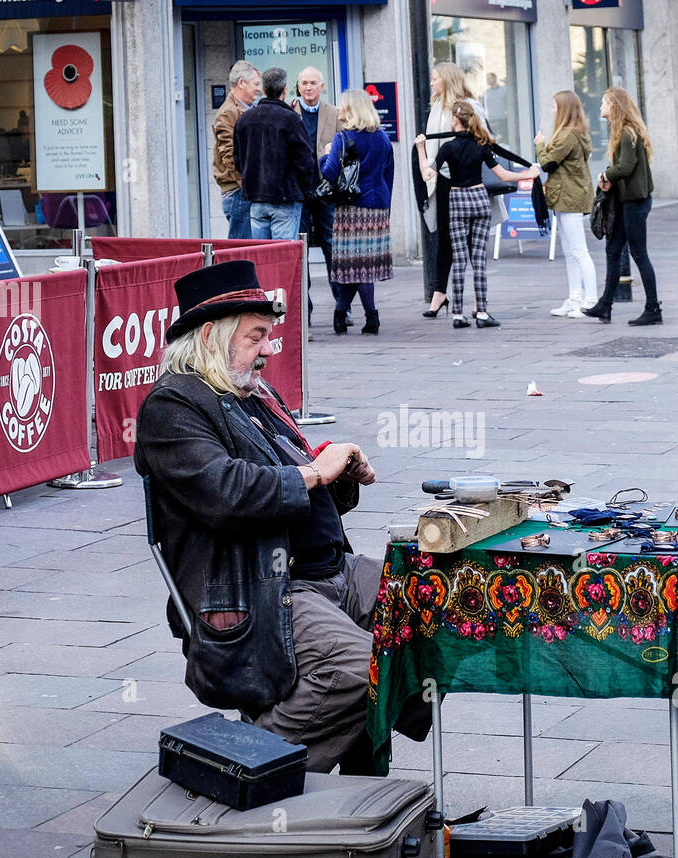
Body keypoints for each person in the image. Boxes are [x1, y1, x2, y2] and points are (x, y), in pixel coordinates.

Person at [134, 259, 429, 773]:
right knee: (362, 669)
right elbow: (226, 492)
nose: (270, 349)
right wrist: (315, 473)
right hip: (258, 587)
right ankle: (247, 771)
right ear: (209, 337)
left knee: (433, 612)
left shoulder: (253, 395)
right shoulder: (172, 407)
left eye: (270, 336)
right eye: (256, 337)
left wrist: (337, 473)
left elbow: (301, 487)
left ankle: (359, 781)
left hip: (327, 570)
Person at [416, 100, 539, 329]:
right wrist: (528, 174)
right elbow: (503, 175)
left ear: (454, 120)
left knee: (460, 259)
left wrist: (421, 149)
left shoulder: (447, 148)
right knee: (479, 258)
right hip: (479, 199)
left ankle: (457, 315)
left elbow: (427, 174)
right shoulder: (481, 145)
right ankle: (482, 312)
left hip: (458, 201)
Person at [583, 87, 661, 326]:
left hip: (635, 203)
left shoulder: (627, 133)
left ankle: (653, 308)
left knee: (639, 253)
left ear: (614, 106)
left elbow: (626, 167)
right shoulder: (624, 132)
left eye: (604, 103)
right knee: (613, 250)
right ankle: (605, 305)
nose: (600, 107)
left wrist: (605, 175)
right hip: (627, 201)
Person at [320, 89, 394, 337]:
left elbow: (329, 173)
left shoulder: (342, 139)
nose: (339, 111)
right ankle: (340, 314)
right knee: (358, 266)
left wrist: (324, 155)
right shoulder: (382, 138)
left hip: (351, 208)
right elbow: (388, 174)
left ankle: (371, 316)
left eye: (342, 107)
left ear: (352, 110)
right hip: (378, 204)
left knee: (355, 265)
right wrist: (387, 206)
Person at [419, 62, 480, 319]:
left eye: (435, 78)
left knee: (471, 240)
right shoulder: (436, 107)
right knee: (444, 237)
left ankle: (479, 299)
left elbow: (482, 137)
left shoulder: (469, 105)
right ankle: (439, 293)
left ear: (447, 79)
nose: (432, 83)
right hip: (442, 179)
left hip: (467, 178)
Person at [234, 66, 317, 241]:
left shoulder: (244, 120)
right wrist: (306, 191)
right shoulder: (291, 119)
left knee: (262, 258)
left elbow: (238, 161)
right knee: (283, 258)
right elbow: (305, 161)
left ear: (262, 89)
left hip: (256, 199)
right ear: (285, 89)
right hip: (285, 198)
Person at [534, 90, 597, 317]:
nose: (552, 110)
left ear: (563, 109)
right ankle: (574, 298)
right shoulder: (572, 133)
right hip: (565, 197)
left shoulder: (567, 135)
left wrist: (540, 145)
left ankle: (590, 302)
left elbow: (548, 163)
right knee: (570, 251)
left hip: (569, 197)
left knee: (579, 250)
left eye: (554, 106)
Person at [293, 66, 341, 317]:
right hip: (299, 191)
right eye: (304, 83)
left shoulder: (334, 114)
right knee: (299, 246)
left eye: (313, 83)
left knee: (332, 245)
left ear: (322, 86)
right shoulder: (290, 112)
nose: (308, 87)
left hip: (326, 190)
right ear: (298, 86)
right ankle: (305, 309)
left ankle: (342, 305)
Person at [213, 60, 261, 240]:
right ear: (241, 83)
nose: (259, 89)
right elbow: (229, 155)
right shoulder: (228, 112)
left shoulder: (247, 109)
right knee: (241, 252)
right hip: (239, 192)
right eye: (256, 84)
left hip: (244, 190)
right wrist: (247, 184)